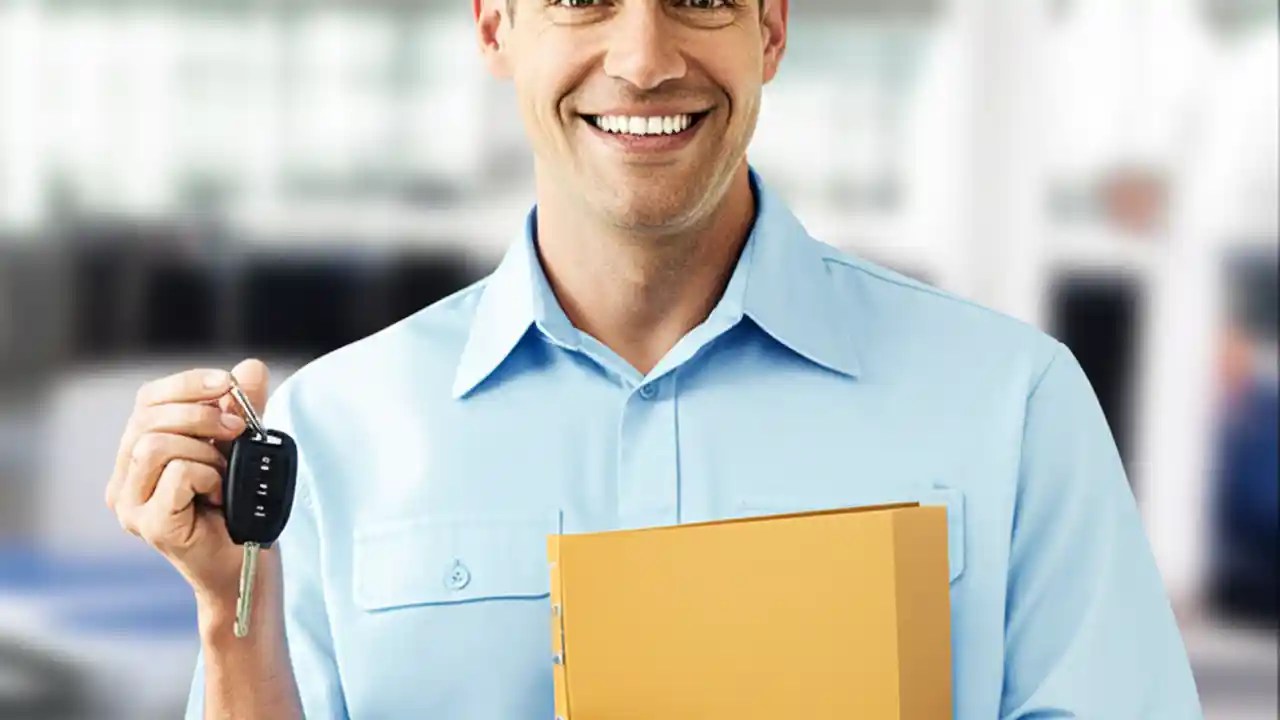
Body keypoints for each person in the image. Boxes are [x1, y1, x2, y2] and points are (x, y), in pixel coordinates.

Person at [103, 0, 1202, 717]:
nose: (642, 58)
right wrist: (225, 605)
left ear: (769, 29)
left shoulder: (1009, 405)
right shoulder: (339, 425)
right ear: (493, 27)